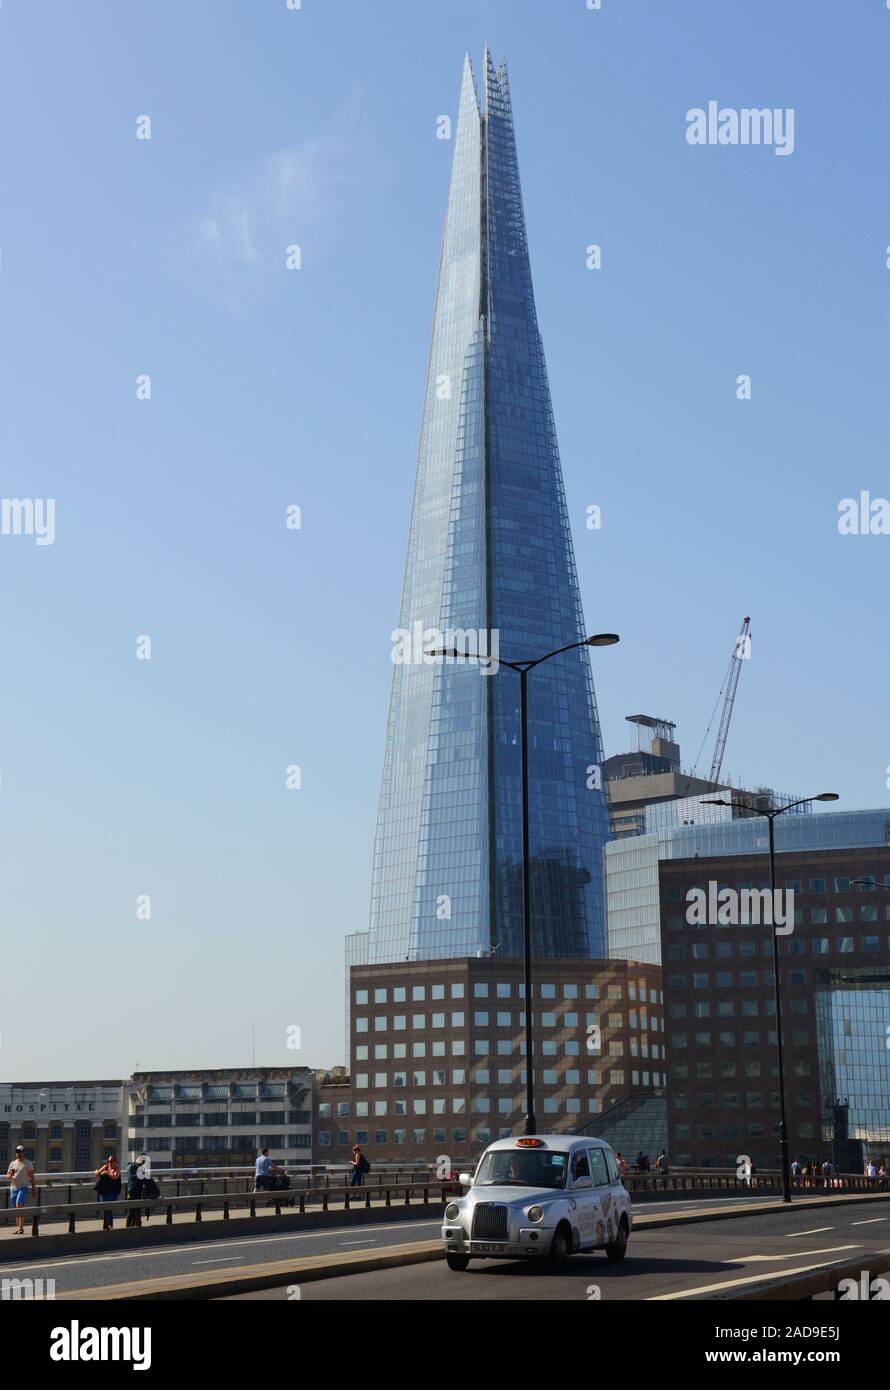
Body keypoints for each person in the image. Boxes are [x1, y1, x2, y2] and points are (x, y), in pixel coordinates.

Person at [5, 1145, 37, 1235]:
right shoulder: (12, 1163)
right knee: (16, 1209)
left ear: (23, 1152)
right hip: (14, 1188)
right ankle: (18, 1227)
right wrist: (11, 1175)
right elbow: (7, 1176)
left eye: (19, 1152)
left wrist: (34, 1189)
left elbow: (32, 1177)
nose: (17, 1153)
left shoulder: (28, 1163)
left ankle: (21, 1228)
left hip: (23, 1187)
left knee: (19, 1205)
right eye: (16, 1152)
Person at [95, 1152, 122, 1229]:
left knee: (108, 1206)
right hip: (105, 1191)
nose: (109, 1163)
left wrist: (107, 1173)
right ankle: (107, 1224)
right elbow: (97, 1174)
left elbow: (115, 1177)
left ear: (115, 1162)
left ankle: (110, 1224)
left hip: (113, 1192)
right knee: (106, 1208)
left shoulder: (117, 1169)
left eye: (111, 1161)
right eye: (108, 1161)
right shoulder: (106, 1167)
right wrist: (98, 1171)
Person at [125, 1155, 145, 1227]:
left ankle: (138, 1227)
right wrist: (139, 1174)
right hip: (132, 1192)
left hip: (139, 1192)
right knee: (131, 1212)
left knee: (138, 1212)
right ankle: (128, 1228)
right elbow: (131, 1177)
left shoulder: (140, 1168)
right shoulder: (131, 1167)